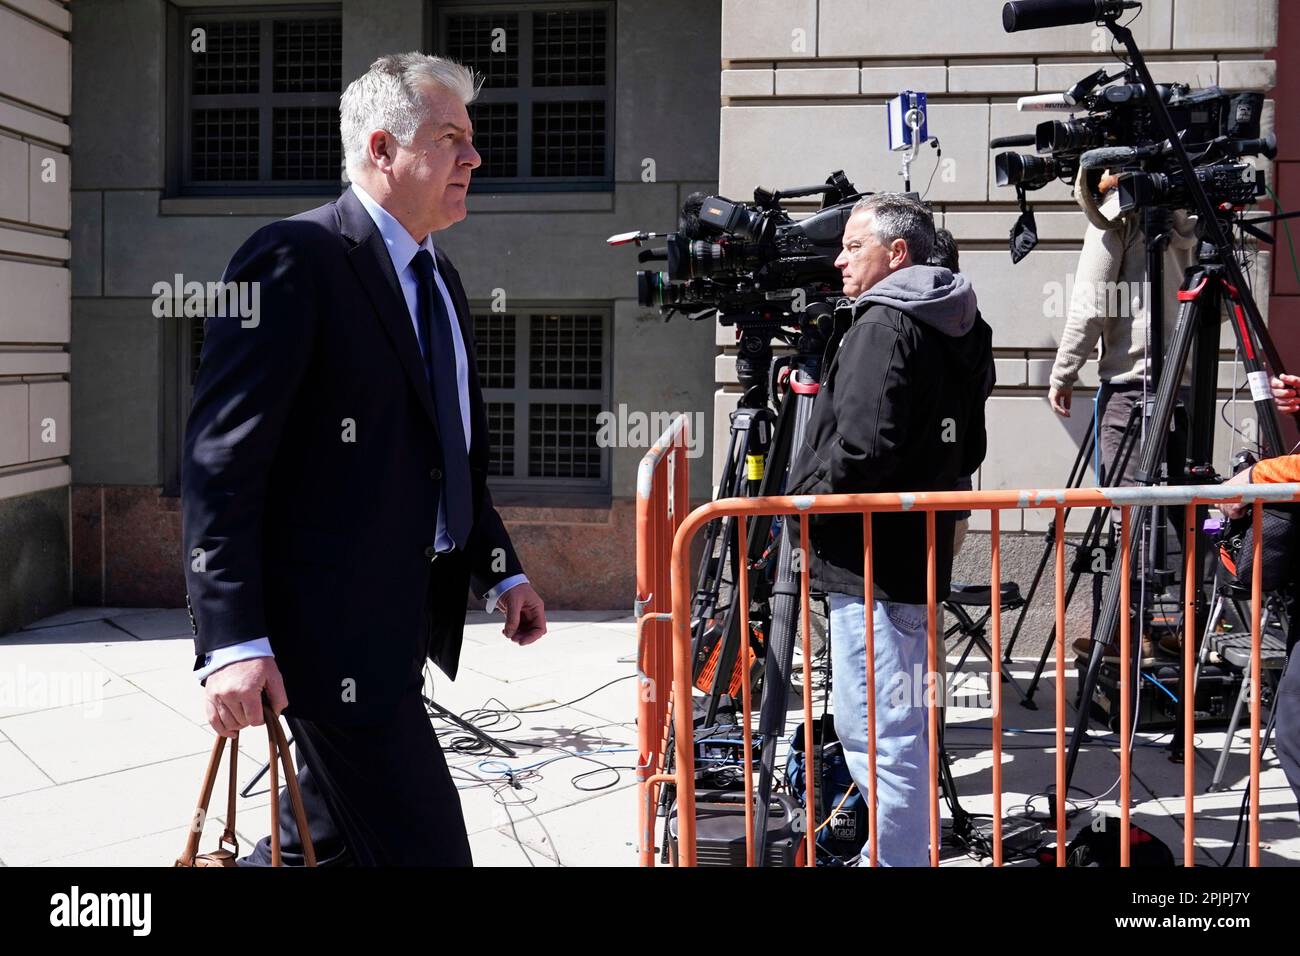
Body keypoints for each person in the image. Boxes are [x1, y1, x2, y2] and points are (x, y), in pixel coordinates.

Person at [182, 53, 547, 866]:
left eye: (472, 140)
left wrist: (499, 568)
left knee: (320, 840)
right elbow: (222, 464)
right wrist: (233, 643)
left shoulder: (437, 273)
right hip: (328, 641)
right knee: (428, 851)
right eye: (451, 139)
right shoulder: (293, 258)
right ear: (382, 151)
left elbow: (443, 447)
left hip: (398, 623)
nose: (474, 159)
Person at [787, 194, 992, 865]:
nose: (839, 259)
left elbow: (864, 448)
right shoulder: (955, 320)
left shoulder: (883, 325)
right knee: (896, 728)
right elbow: (967, 448)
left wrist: (798, 505)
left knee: (878, 733)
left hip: (873, 561)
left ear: (896, 253)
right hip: (911, 556)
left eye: (853, 245)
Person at [1048, 168, 1199, 662]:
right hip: (1182, 381)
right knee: (1179, 511)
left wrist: (1064, 371)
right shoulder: (1187, 215)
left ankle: (1121, 635)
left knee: (1127, 512)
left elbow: (1091, 301)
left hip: (1130, 384)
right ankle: (1177, 625)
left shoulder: (1117, 215)